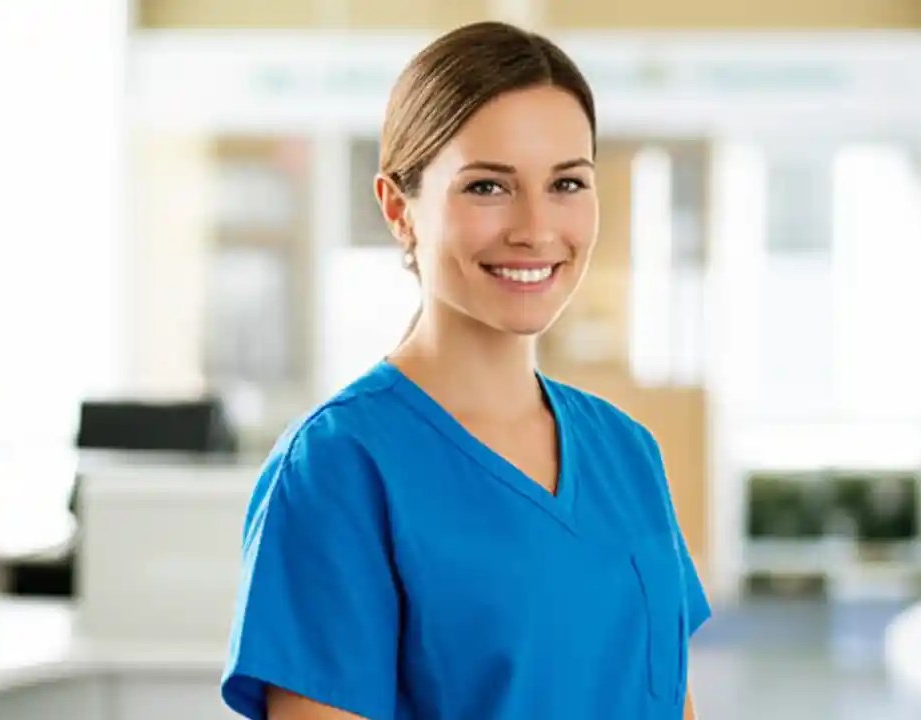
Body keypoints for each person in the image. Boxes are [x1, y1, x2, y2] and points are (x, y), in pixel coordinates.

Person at [221, 21, 710, 720]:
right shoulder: (339, 467)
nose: (535, 228)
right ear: (399, 209)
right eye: (487, 186)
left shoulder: (627, 451)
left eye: (567, 182)